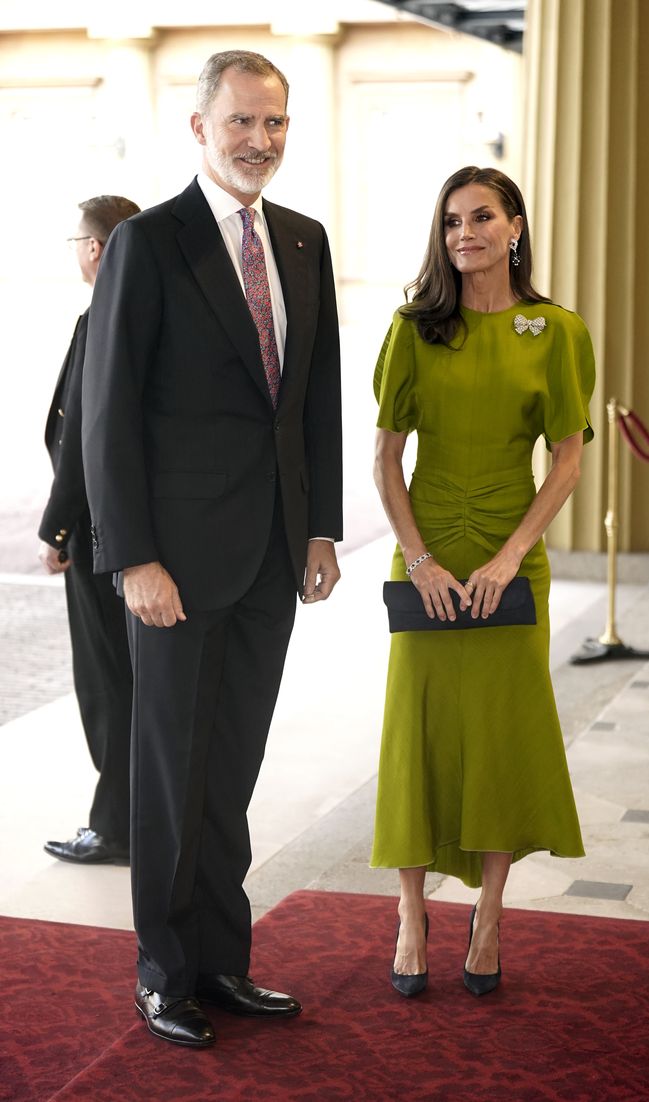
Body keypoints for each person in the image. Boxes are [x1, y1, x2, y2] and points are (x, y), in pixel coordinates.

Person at [81, 50, 342, 1047]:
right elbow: (108, 417)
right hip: (174, 570)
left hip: (273, 554)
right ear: (199, 127)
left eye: (275, 123)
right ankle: (162, 971)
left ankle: (223, 960)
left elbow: (311, 396)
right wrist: (132, 556)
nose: (261, 141)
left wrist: (317, 527)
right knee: (167, 772)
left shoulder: (306, 244)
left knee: (230, 765)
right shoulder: (151, 243)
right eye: (241, 122)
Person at [370, 166, 594, 998]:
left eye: (482, 217)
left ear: (516, 227)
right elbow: (385, 460)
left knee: (500, 735)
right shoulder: (413, 328)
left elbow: (567, 461)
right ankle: (409, 910)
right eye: (452, 220)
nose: (465, 232)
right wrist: (422, 558)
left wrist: (509, 556)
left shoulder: (557, 329)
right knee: (417, 731)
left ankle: (492, 913)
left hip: (512, 558)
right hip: (424, 553)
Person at [39, 195, 140, 865]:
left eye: (77, 239)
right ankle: (134, 817)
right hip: (131, 529)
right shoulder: (144, 315)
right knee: (133, 681)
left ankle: (113, 826)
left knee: (109, 684)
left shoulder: (101, 318)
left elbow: (84, 438)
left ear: (97, 248)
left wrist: (57, 527)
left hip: (99, 532)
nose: (75, 250)